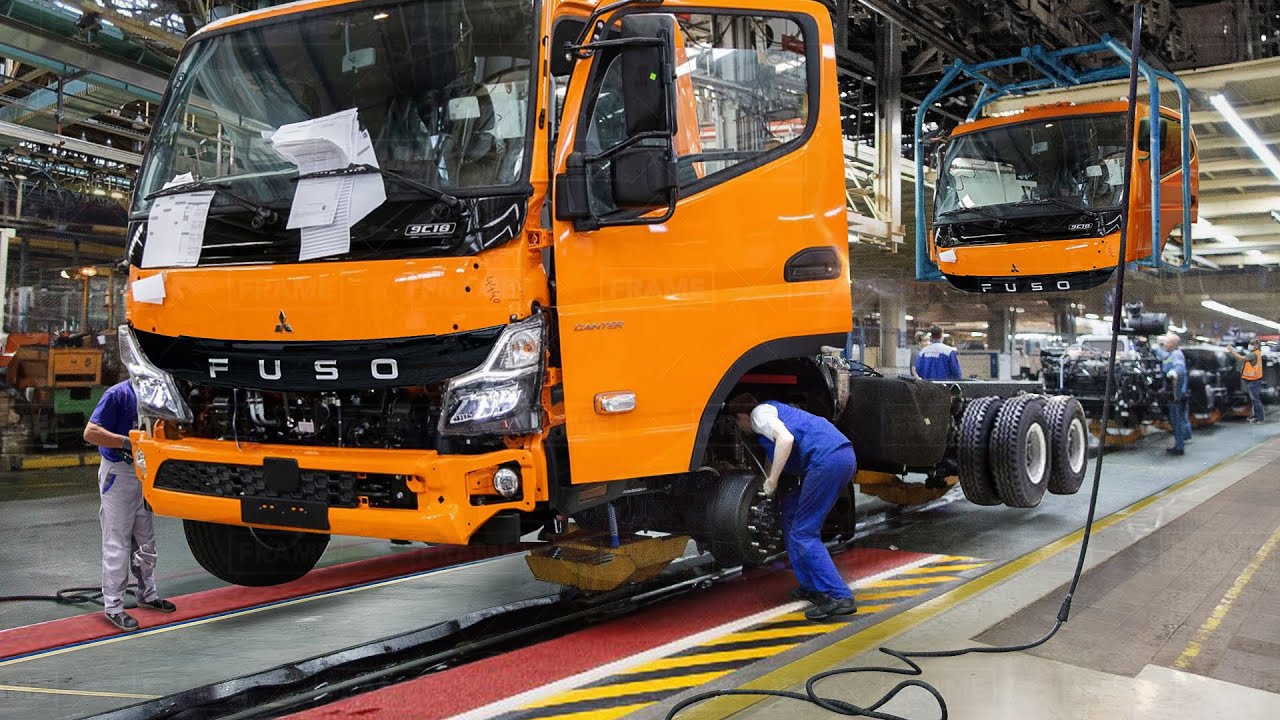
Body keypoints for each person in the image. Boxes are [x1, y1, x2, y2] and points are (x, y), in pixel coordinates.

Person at [727, 393, 857, 621]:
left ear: (741, 416)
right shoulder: (774, 412)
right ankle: (811, 586)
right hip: (838, 456)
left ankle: (839, 596)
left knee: (804, 532)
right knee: (790, 519)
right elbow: (775, 453)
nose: (740, 428)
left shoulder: (759, 415)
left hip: (826, 460)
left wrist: (772, 481)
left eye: (737, 423)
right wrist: (769, 482)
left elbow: (785, 440)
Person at [83, 380, 176, 632]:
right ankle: (113, 606)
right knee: (118, 541)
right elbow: (90, 432)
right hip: (118, 473)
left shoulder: (158, 393)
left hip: (144, 472)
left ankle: (148, 594)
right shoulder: (117, 394)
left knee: (146, 539)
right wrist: (128, 443)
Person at [1153, 335, 1191, 455]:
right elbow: (1164, 357)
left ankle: (1179, 447)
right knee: (1180, 418)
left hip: (1176, 394)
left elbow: (1179, 368)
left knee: (1176, 420)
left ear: (1174, 344)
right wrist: (1154, 349)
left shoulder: (1177, 355)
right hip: (1176, 392)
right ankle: (1184, 438)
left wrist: (1173, 372)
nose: (1164, 344)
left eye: (1167, 342)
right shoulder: (1170, 354)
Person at [1228, 338, 1266, 424]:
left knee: (1256, 399)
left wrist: (1231, 350)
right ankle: (1256, 416)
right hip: (1253, 379)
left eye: (1252, 344)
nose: (1251, 345)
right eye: (1250, 343)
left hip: (1254, 380)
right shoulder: (1256, 353)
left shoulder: (1253, 354)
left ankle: (1260, 418)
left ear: (1256, 345)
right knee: (1254, 399)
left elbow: (1240, 358)